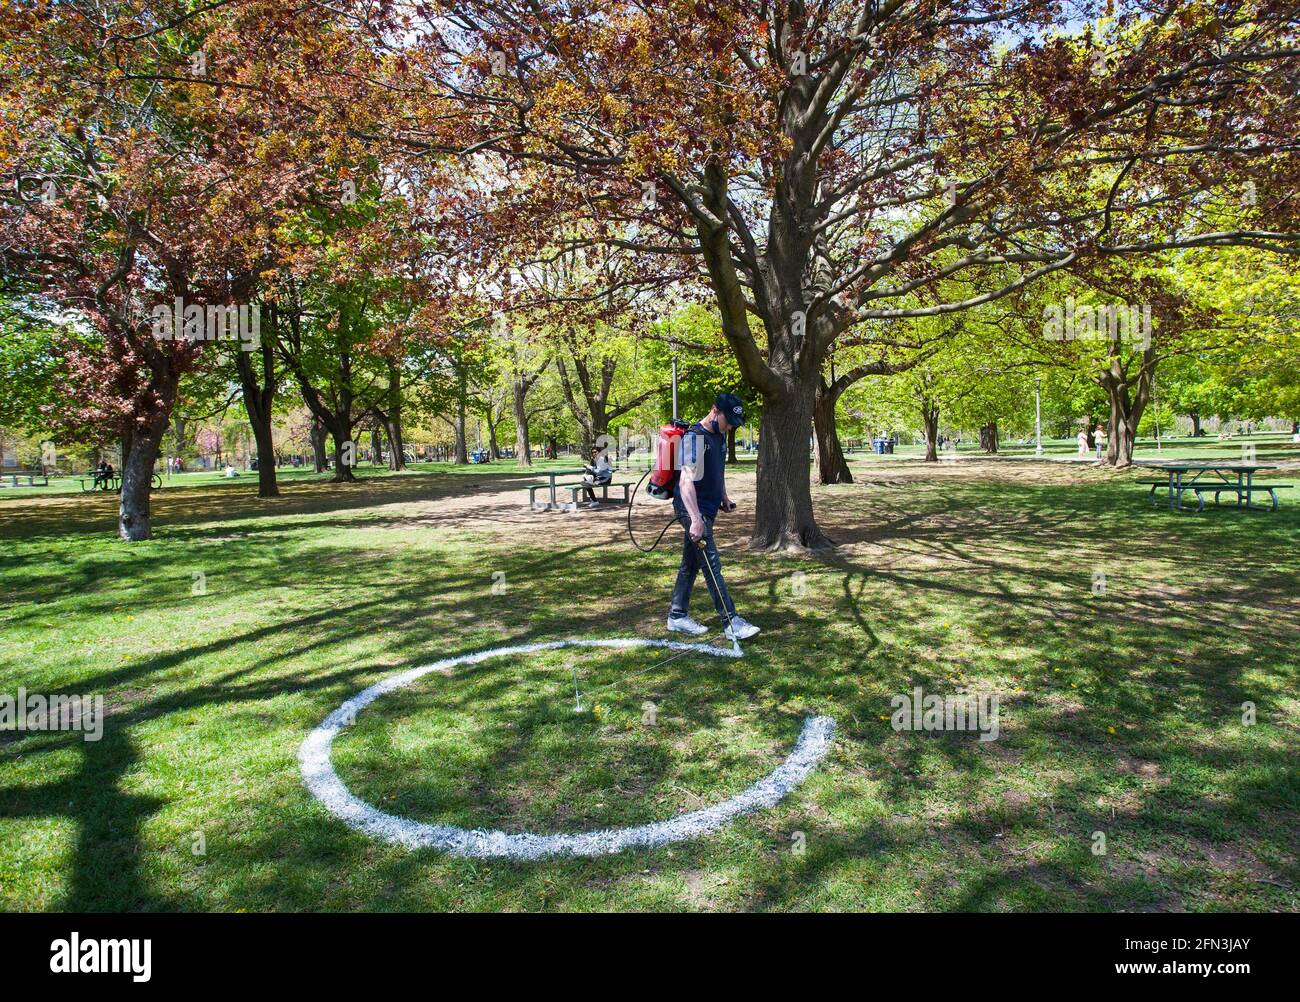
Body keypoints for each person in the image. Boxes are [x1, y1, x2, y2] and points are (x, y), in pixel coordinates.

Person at [666, 393, 760, 641]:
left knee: (691, 564)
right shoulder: (694, 438)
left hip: (707, 508)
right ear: (714, 411)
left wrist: (724, 497)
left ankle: (677, 616)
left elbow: (718, 470)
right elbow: (686, 480)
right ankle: (731, 622)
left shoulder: (719, 438)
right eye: (727, 420)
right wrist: (695, 519)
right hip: (691, 509)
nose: (730, 426)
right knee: (711, 564)